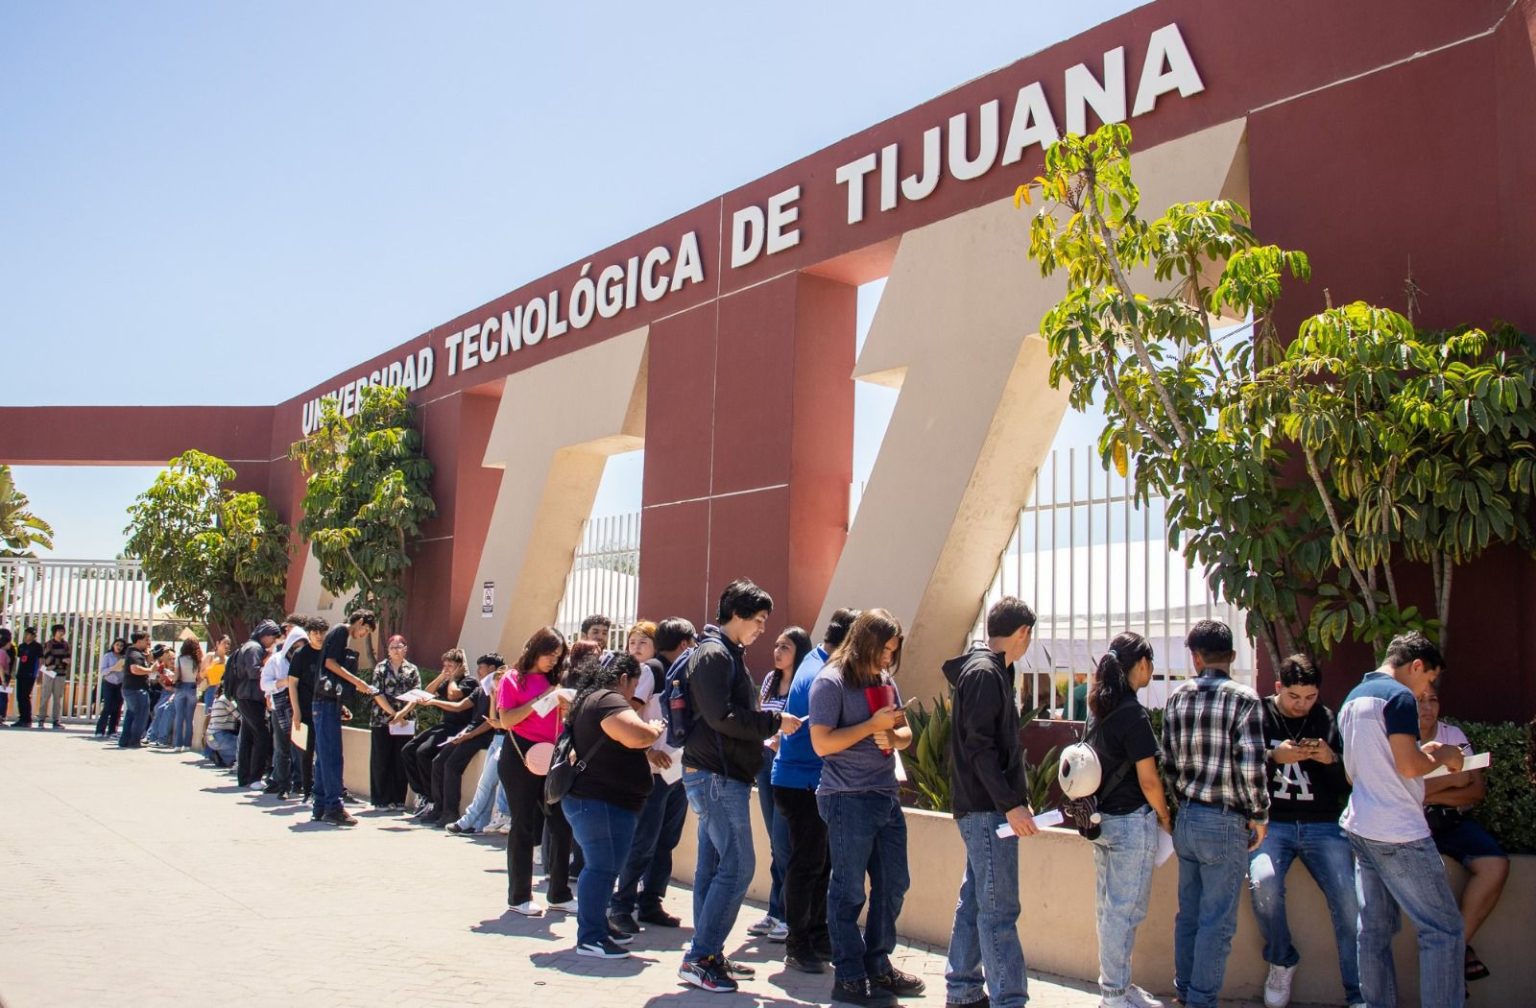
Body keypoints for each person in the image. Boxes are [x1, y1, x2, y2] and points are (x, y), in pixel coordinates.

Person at [676, 579, 801, 994]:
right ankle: (700, 957)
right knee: (738, 865)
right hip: (716, 775)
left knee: (714, 867)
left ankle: (707, 953)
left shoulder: (724, 653)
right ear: (737, 615)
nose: (763, 629)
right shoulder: (715, 654)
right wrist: (771, 722)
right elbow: (720, 716)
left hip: (717, 773)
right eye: (760, 620)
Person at [1338, 631, 1465, 1008]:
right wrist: (1442, 755)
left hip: (1360, 826)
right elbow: (1409, 766)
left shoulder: (1353, 698)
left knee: (1373, 931)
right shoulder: (1399, 697)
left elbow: (1357, 771)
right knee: (1444, 930)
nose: (1427, 689)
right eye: (1428, 679)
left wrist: (1420, 754)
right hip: (1399, 832)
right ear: (1416, 666)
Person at [809, 608, 920, 1008]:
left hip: (885, 794)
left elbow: (904, 732)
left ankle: (877, 964)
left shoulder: (884, 679)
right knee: (848, 890)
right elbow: (821, 743)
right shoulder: (830, 681)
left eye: (893, 651)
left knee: (894, 884)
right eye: (884, 649)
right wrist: (871, 727)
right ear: (864, 642)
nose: (888, 658)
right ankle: (850, 975)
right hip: (846, 798)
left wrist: (893, 735)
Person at [1162, 619, 1269, 1008]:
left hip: (1188, 816)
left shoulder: (1177, 697)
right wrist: (1258, 815)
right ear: (1233, 656)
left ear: (1196, 657)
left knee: (1188, 915)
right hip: (1224, 821)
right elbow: (1252, 767)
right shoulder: (1245, 700)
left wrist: (1182, 802)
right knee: (1216, 922)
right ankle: (1201, 1000)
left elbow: (1169, 762)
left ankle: (1185, 993)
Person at [941, 597, 1039, 1008]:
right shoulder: (984, 673)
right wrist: (1010, 804)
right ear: (1022, 633)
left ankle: (962, 990)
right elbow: (980, 748)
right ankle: (1008, 998)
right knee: (999, 910)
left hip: (983, 808)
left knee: (978, 901)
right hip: (987, 811)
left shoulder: (989, 671)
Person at [1248, 654, 1359, 1008]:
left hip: (1323, 824)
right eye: (1295, 697)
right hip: (1273, 822)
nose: (1302, 705)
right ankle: (1282, 959)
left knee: (1348, 901)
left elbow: (1346, 782)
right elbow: (1241, 763)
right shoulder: (1260, 714)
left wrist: (1331, 760)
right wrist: (1272, 757)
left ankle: (1358, 993)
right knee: (1263, 883)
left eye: (1310, 697)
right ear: (1278, 687)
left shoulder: (1326, 718)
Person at [1084, 634, 1171, 1008]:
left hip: (1101, 821)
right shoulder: (1133, 713)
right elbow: (1149, 780)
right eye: (1150, 662)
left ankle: (1118, 986)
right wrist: (1166, 816)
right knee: (1125, 911)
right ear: (1141, 665)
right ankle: (1114, 995)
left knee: (1109, 908)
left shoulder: (1098, 707)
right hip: (1131, 823)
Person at [560, 651, 666, 958]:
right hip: (600, 802)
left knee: (604, 868)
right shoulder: (608, 700)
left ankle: (599, 928)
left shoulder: (589, 698)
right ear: (623, 679)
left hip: (598, 801)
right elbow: (636, 736)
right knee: (601, 868)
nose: (635, 693)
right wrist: (655, 729)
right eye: (634, 684)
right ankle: (591, 937)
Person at [773, 608, 857, 974]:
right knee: (808, 865)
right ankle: (798, 942)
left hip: (805, 780)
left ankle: (817, 936)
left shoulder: (815, 661)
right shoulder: (820, 673)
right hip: (802, 781)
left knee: (819, 864)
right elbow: (824, 736)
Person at [608, 617, 695, 935]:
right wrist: (645, 750)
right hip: (652, 771)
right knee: (643, 840)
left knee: (666, 841)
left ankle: (651, 902)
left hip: (677, 770)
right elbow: (625, 714)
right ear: (684, 644)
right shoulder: (651, 671)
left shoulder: (683, 674)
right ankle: (621, 904)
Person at [1419, 684, 1507, 987]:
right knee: (1435, 873)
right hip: (1413, 828)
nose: (1428, 707)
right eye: (1420, 700)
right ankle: (1456, 955)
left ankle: (1451, 950)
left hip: (1452, 821)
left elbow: (1475, 789)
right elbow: (1403, 796)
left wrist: (1430, 793)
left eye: (1433, 700)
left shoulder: (1452, 736)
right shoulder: (1398, 738)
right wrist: (1450, 782)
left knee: (1496, 864)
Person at [497, 626, 575, 916]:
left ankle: (559, 893)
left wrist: (565, 703)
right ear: (535, 649)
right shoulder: (512, 680)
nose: (553, 661)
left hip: (551, 755)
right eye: (549, 654)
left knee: (561, 823)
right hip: (519, 754)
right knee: (523, 824)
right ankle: (519, 897)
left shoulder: (556, 680)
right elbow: (506, 720)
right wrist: (540, 701)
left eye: (557, 656)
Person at [746, 625, 811, 943]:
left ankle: (789, 913)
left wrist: (777, 740)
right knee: (775, 840)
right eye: (776, 645)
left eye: (785, 646)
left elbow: (802, 725)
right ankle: (775, 910)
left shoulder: (803, 684)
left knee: (786, 841)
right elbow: (761, 716)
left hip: (788, 764)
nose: (777, 651)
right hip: (765, 764)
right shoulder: (771, 681)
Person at [313, 609, 386, 826]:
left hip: (327, 703)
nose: (363, 635)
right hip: (324, 704)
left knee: (324, 757)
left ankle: (321, 805)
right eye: (365, 630)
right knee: (332, 756)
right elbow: (330, 664)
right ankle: (334, 806)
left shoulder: (338, 634)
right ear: (360, 621)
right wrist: (358, 683)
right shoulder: (341, 632)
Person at [407, 651, 480, 822]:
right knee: (409, 749)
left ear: (460, 666)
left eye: (450, 666)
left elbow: (454, 696)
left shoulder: (469, 682)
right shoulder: (446, 681)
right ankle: (425, 795)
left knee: (424, 753)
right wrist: (442, 676)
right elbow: (426, 693)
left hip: (458, 727)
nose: (447, 669)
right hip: (444, 725)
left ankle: (435, 801)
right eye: (444, 666)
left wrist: (454, 678)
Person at [426, 654, 497, 826]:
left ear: (492, 669)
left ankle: (451, 812)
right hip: (469, 732)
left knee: (451, 766)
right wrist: (433, 702)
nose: (478, 671)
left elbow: (490, 723)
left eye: (482, 667)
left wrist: (469, 735)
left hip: (483, 736)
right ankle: (439, 809)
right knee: (438, 762)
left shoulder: (497, 689)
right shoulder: (480, 689)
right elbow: (459, 706)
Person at [447, 659, 513, 836]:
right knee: (486, 783)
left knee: (486, 782)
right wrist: (492, 698)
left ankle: (467, 820)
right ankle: (478, 823)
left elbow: (506, 724)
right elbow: (493, 721)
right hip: (496, 739)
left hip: (505, 741)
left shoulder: (511, 699)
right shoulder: (498, 696)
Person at [366, 634, 421, 809]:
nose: (396, 650)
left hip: (405, 721)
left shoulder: (412, 669)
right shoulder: (380, 668)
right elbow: (376, 693)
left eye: (399, 646)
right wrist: (393, 714)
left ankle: (398, 799)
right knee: (381, 759)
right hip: (383, 720)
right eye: (392, 647)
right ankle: (381, 799)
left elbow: (416, 693)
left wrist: (403, 713)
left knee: (400, 760)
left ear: (406, 648)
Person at [231, 621, 281, 787]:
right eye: (273, 637)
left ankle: (244, 777)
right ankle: (255, 778)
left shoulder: (250, 646)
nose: (273, 641)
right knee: (262, 735)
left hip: (246, 696)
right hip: (251, 697)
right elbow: (254, 672)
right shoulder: (254, 648)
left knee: (247, 737)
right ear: (266, 635)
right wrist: (272, 674)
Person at [284, 618, 328, 800]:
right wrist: (296, 711)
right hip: (305, 709)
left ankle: (324, 788)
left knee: (325, 750)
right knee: (306, 752)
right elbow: (292, 683)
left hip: (326, 708)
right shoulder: (300, 654)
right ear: (309, 634)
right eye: (315, 632)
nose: (318, 636)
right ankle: (307, 790)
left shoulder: (328, 654)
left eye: (321, 632)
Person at [262, 620, 306, 797]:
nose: (298, 650)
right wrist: (283, 683)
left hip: (300, 708)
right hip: (281, 708)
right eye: (295, 646)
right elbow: (264, 684)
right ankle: (282, 784)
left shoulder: (305, 661)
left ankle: (301, 783)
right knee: (282, 748)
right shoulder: (276, 661)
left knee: (301, 748)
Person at [117, 632, 153, 748]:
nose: (148, 642)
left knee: (131, 715)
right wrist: (151, 670)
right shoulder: (134, 654)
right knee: (140, 715)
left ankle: (125, 740)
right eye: (146, 639)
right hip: (136, 689)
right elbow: (135, 669)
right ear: (139, 641)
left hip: (131, 688)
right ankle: (134, 741)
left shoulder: (133, 652)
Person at [37, 623, 71, 729]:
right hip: (49, 673)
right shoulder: (49, 644)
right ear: (54, 632)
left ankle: (56, 720)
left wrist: (58, 663)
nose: (61, 633)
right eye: (59, 631)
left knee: (58, 697)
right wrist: (60, 661)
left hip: (60, 673)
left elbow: (68, 659)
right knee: (45, 696)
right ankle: (41, 719)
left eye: (62, 631)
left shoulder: (66, 645)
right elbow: (48, 659)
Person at [171, 638, 202, 753]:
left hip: (181, 687)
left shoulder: (179, 659)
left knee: (179, 717)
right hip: (192, 687)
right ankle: (187, 745)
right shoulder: (198, 660)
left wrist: (172, 681)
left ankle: (178, 744)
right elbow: (199, 678)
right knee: (189, 718)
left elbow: (176, 675)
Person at [94, 638, 127, 737]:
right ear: (113, 645)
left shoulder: (124, 657)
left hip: (120, 684)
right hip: (109, 682)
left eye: (121, 646)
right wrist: (113, 668)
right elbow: (103, 671)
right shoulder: (108, 656)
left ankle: (112, 730)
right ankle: (100, 730)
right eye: (117, 645)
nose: (119, 647)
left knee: (117, 708)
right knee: (107, 706)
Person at [12, 627, 41, 727]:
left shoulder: (37, 646)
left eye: (28, 634)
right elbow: (19, 659)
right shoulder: (21, 646)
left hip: (30, 674)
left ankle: (27, 719)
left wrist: (38, 673)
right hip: (21, 673)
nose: (26, 636)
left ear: (33, 636)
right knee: (19, 696)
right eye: (25, 634)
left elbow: (40, 660)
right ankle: (22, 718)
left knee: (25, 696)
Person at [204, 691, 241, 768]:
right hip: (219, 736)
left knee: (230, 756)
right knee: (243, 744)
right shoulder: (225, 700)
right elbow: (239, 716)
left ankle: (221, 757)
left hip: (210, 737)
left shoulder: (217, 700)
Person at [198, 635, 230, 712]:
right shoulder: (210, 656)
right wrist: (212, 664)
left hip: (223, 691)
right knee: (209, 714)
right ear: (217, 643)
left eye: (228, 644)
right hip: (210, 689)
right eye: (224, 643)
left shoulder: (227, 660)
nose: (226, 645)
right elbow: (201, 675)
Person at [0, 628, 14, 726]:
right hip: (2, 678)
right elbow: (0, 666)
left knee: (3, 697)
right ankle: (1, 717)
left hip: (5, 677)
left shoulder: (8, 650)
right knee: (2, 698)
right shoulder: (2, 652)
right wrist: (3, 680)